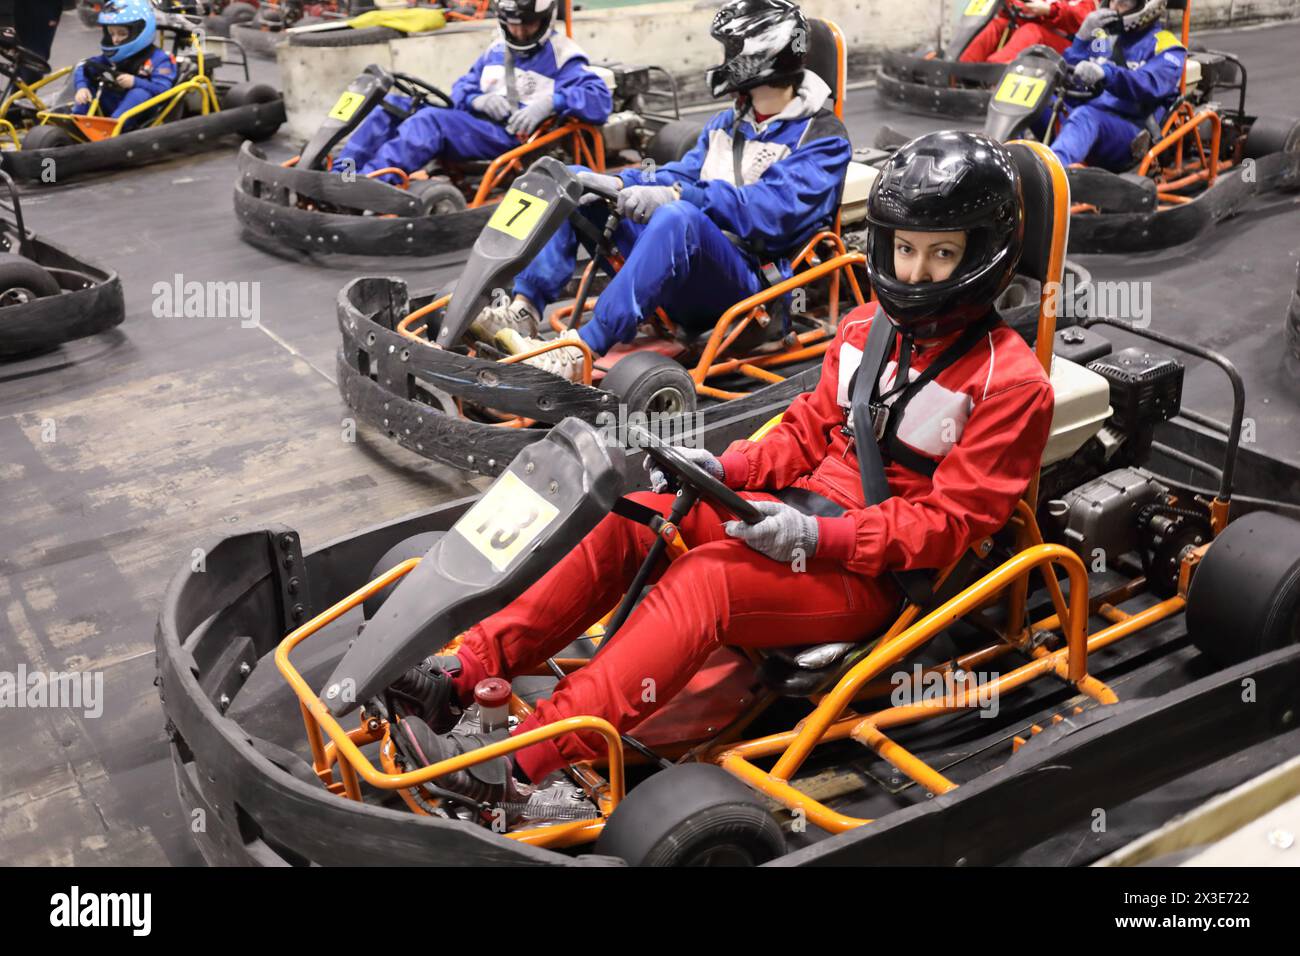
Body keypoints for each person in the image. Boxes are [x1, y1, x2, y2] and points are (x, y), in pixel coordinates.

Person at [387, 130, 1057, 806]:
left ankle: (519, 767)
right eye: (905, 250)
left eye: (942, 254)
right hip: (801, 517)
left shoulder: (1011, 384)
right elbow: (801, 435)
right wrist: (726, 469)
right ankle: (464, 675)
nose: (914, 274)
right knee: (635, 516)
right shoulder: (864, 330)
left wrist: (816, 537)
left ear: (984, 256)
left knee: (705, 582)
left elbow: (946, 526)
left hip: (875, 573)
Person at [469, 0, 852, 384]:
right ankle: (523, 310)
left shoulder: (823, 139)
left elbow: (770, 212)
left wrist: (679, 196)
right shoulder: (729, 122)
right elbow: (680, 173)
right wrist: (621, 183)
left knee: (678, 216)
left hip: (755, 288)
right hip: (699, 264)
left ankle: (578, 351)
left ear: (763, 55)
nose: (724, 60)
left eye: (731, 51)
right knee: (573, 180)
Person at [334, 0, 611, 183]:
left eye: (527, 24)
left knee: (429, 121)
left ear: (544, 19)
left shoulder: (564, 56)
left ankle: (371, 183)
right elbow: (463, 87)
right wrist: (476, 99)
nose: (520, 32)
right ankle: (342, 175)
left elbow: (599, 99)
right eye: (512, 24)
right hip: (476, 122)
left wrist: (553, 101)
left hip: (510, 136)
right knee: (393, 104)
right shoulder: (496, 49)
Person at [1048, 0, 1186, 170]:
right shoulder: (1103, 39)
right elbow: (1071, 77)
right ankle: (1011, 168)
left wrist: (1107, 73)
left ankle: (1049, 181)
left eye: (1123, 3)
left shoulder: (1168, 47)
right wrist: (1081, 40)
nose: (1113, 8)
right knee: (1041, 98)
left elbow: (1148, 84)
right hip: (1087, 119)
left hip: (1131, 131)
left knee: (1086, 115)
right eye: (1112, 0)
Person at [72, 0, 177, 124]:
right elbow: (85, 66)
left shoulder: (160, 59)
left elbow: (164, 91)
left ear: (140, 31)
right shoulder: (112, 57)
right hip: (116, 102)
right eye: (111, 33)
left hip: (144, 113)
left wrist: (135, 82)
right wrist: (82, 88)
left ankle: (113, 126)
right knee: (88, 81)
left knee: (139, 93)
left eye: (122, 34)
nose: (115, 40)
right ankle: (76, 122)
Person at [959, 1, 1097, 65]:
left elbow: (1084, 18)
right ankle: (962, 68)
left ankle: (995, 70)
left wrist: (1050, 10)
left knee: (1030, 30)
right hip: (1033, 35)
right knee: (997, 25)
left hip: (1068, 47)